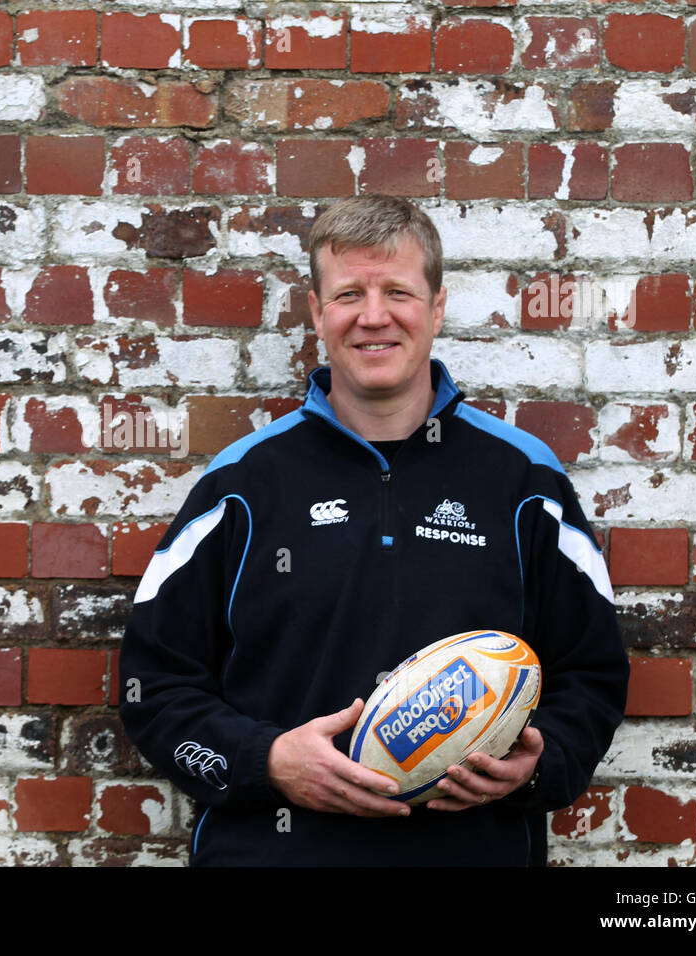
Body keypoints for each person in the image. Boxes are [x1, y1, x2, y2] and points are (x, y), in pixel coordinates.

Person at [117, 194, 629, 866]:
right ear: (317, 313)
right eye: (349, 293)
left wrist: (537, 765)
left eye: (398, 291)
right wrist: (266, 760)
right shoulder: (240, 484)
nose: (373, 316)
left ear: (437, 308)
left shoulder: (525, 482)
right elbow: (152, 685)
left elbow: (592, 673)